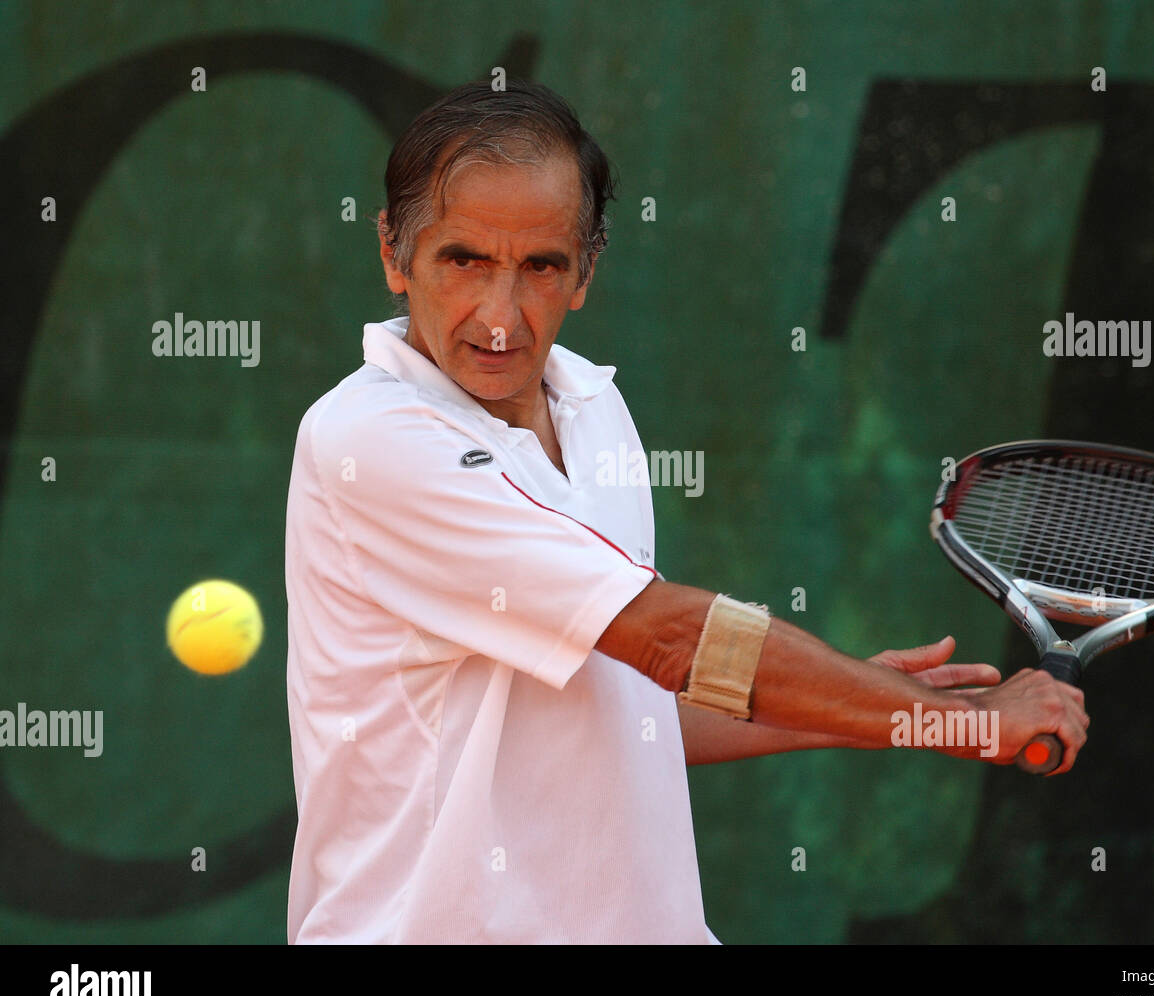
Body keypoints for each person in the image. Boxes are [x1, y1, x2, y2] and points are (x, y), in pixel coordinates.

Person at [283, 79, 1088, 944]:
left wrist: (861, 700)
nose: (500, 316)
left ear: (585, 270)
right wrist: (960, 723)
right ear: (394, 255)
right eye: (463, 260)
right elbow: (667, 638)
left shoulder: (593, 407)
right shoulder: (367, 440)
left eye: (541, 266)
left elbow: (628, 696)